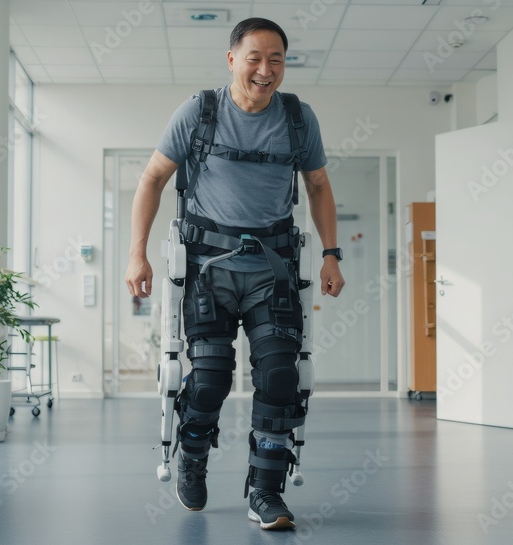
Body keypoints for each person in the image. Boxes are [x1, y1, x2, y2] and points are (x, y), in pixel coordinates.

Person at [124, 17, 345, 531]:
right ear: (232, 60)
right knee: (208, 382)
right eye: (255, 58)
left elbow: (317, 184)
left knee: (281, 379)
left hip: (272, 272)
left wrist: (331, 253)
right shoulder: (199, 113)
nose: (266, 70)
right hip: (209, 272)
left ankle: (266, 491)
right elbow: (153, 177)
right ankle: (193, 457)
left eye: (277, 60)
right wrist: (138, 254)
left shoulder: (297, 118)